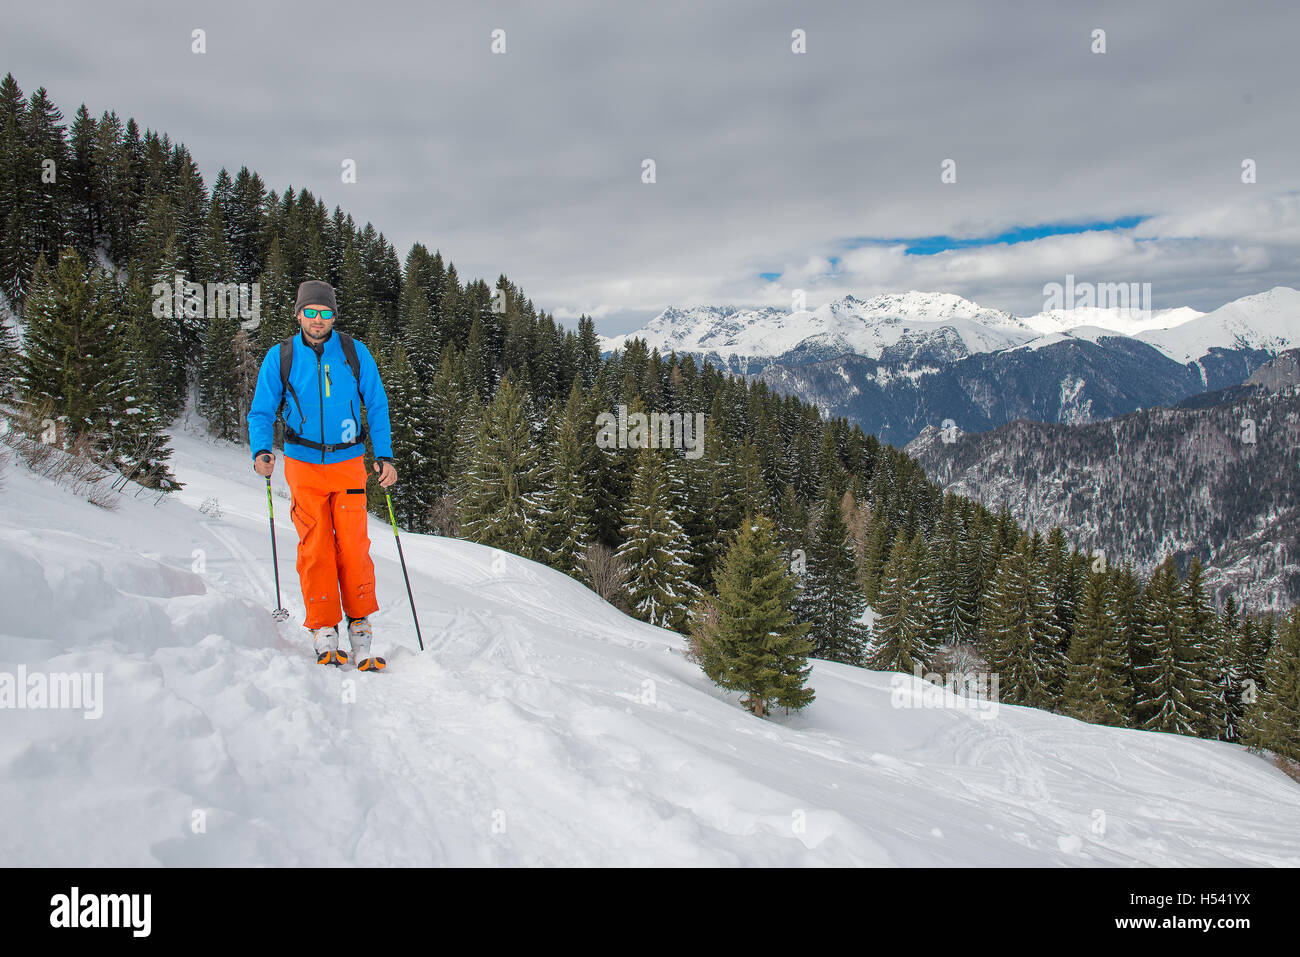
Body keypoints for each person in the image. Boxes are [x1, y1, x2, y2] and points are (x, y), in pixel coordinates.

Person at [247, 279, 398, 669]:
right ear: (298, 314)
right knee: (315, 547)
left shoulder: (353, 352)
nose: (318, 319)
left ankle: (360, 623)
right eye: (310, 312)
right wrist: (262, 449)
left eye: (325, 312)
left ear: (334, 315)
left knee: (353, 545)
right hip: (303, 464)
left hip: (348, 463)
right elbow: (261, 411)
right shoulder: (280, 357)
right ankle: (324, 627)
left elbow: (377, 404)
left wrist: (384, 456)